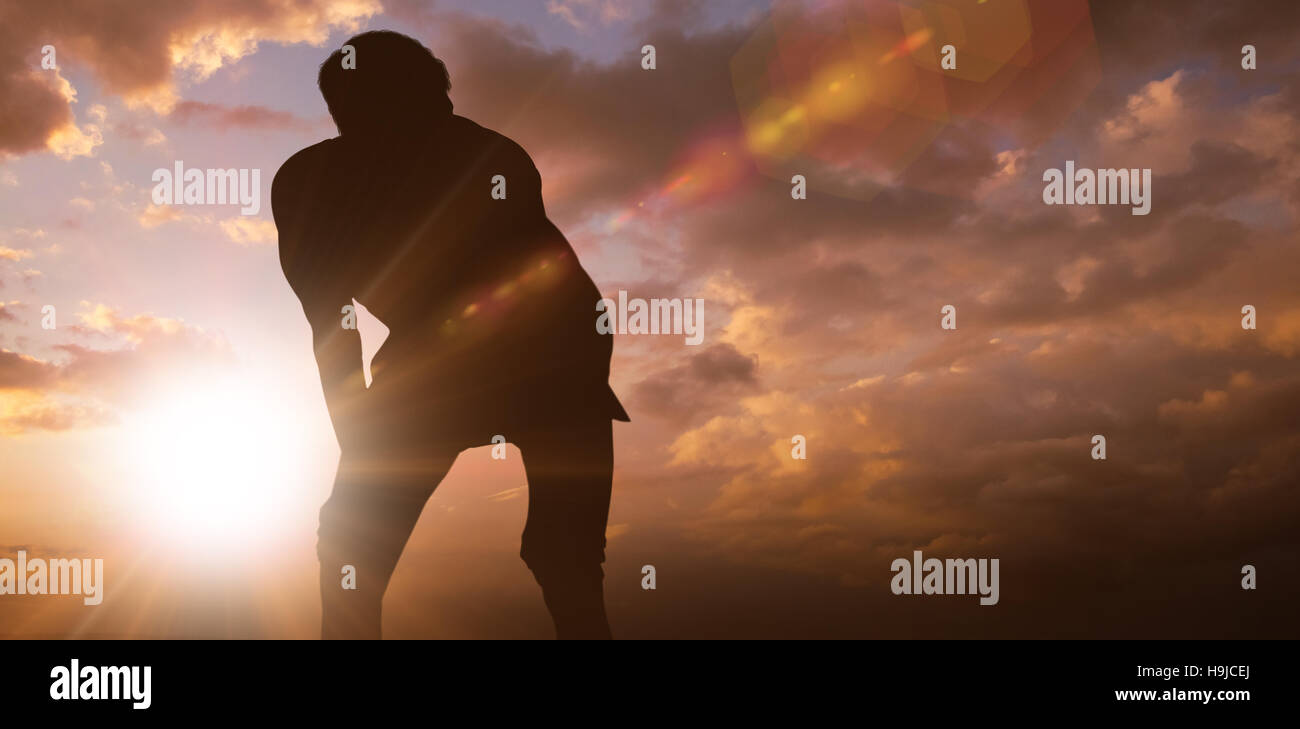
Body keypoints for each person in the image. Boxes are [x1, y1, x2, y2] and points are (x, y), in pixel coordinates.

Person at [273, 30, 628, 640]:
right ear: (349, 115)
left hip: (556, 351)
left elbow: (521, 292)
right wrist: (360, 441)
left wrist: (368, 443)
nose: (439, 120)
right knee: (353, 543)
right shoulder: (309, 185)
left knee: (563, 555)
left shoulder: (490, 158)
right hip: (452, 358)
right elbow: (332, 323)